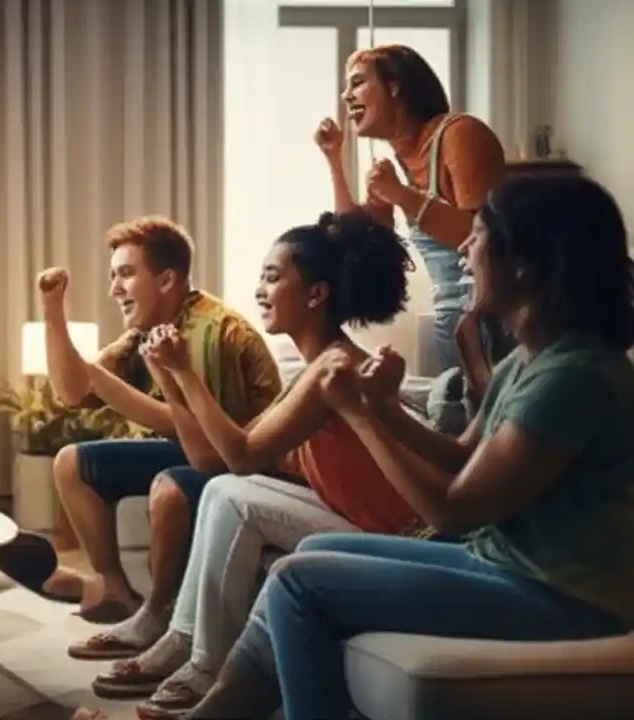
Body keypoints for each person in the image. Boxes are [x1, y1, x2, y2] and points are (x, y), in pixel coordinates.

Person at [186, 175, 634, 720]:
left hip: (563, 596)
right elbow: (463, 456)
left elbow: (450, 506)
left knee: (299, 584)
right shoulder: (530, 360)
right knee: (306, 557)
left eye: (477, 237)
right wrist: (385, 407)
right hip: (503, 564)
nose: (463, 252)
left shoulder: (576, 376)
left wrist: (359, 413)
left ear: (525, 263)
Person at [73, 211, 425, 719]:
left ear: (316, 295)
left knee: (234, 496)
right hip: (350, 516)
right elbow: (210, 462)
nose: (260, 289)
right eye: (261, 275)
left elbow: (238, 456)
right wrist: (171, 379)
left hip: (387, 535)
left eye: (274, 276)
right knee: (223, 493)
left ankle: (200, 663)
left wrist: (185, 375)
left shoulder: (332, 367)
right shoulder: (317, 367)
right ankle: (182, 644)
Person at [0, 216, 281, 647]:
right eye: (113, 275)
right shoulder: (142, 334)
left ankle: (160, 613)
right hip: (186, 449)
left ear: (167, 280)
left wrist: (105, 384)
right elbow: (74, 390)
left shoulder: (214, 331)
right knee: (72, 463)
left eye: (126, 274)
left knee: (169, 486)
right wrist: (53, 311)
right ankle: (113, 590)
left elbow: (203, 439)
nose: (114, 289)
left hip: (239, 461)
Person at [315, 43, 506, 376]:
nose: (347, 96)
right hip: (453, 322)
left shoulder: (460, 134)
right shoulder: (397, 165)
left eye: (357, 82)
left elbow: (485, 238)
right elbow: (355, 239)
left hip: (494, 322)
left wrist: (401, 195)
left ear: (394, 85)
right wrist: (334, 159)